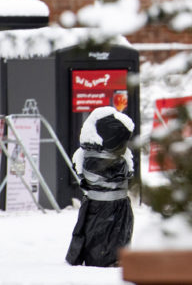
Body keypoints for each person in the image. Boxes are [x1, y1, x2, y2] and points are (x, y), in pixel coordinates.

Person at [66, 106, 136, 267]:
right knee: (104, 245)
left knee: (106, 239)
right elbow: (117, 173)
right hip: (107, 207)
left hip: (103, 206)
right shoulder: (100, 161)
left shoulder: (90, 156)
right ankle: (107, 260)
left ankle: (109, 258)